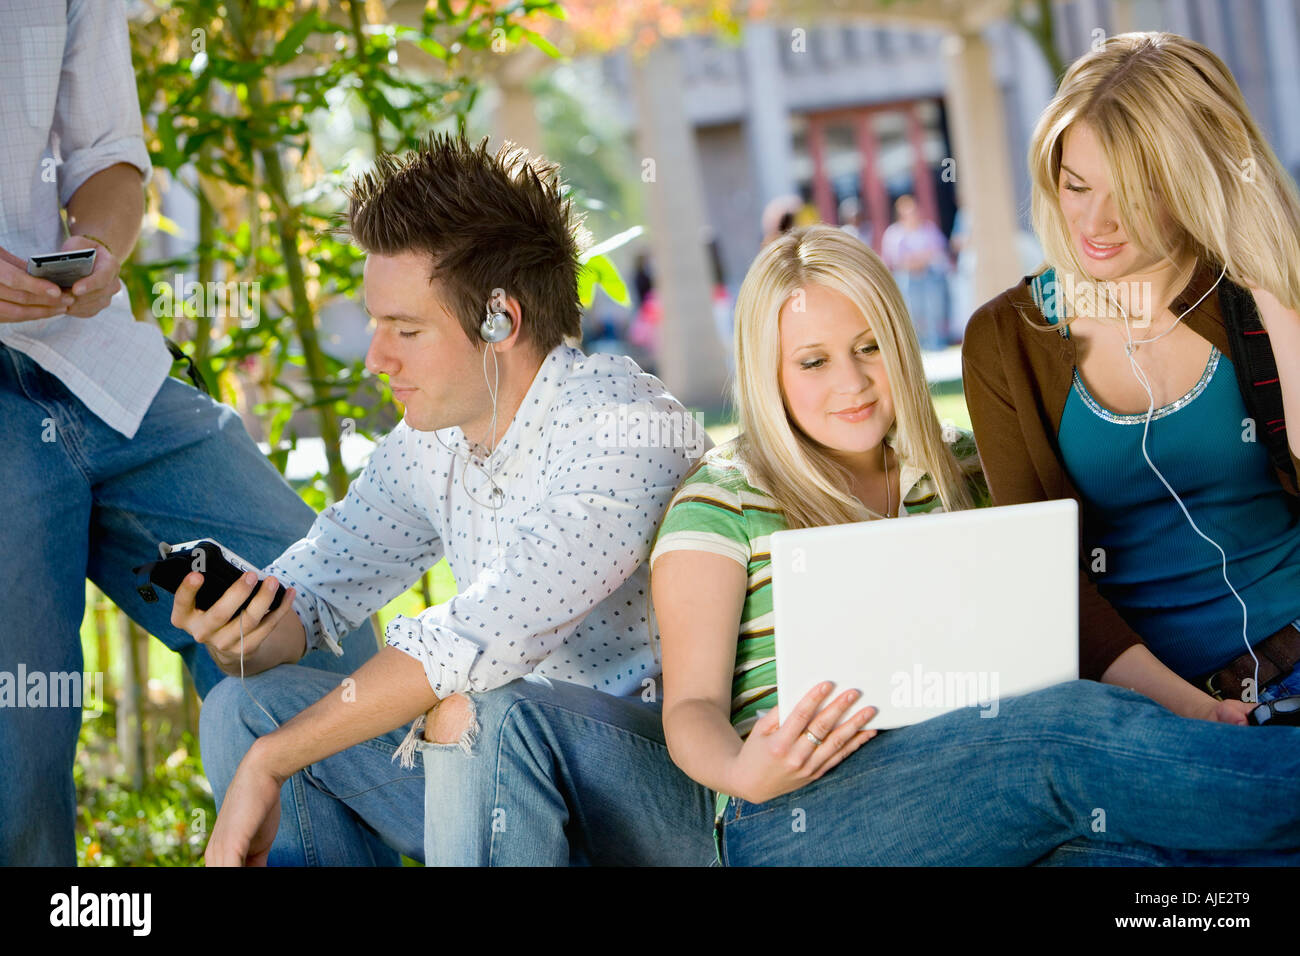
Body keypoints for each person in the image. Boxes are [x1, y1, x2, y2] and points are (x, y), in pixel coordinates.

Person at [649, 224, 1300, 865]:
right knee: (1061, 733)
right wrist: (744, 771)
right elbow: (689, 707)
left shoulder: (956, 468)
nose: (851, 381)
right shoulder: (723, 498)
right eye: (813, 361)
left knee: (1119, 855)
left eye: (870, 346)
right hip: (797, 811)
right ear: (769, 372)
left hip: (977, 780)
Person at [189, 134, 716, 866]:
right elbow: (312, 595)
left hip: (660, 803)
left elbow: (482, 636)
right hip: (494, 779)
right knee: (243, 708)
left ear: (501, 320)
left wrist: (274, 760)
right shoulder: (432, 442)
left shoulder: (623, 424)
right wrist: (244, 628)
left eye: (406, 330)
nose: (378, 359)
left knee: (483, 710)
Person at [0, 0, 375, 866]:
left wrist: (98, 243)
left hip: (94, 357)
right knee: (16, 757)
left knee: (312, 611)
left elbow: (109, 159)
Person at [962, 32, 1300, 723]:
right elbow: (1046, 576)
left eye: (1137, 192)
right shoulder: (1006, 342)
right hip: (1146, 708)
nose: (1095, 223)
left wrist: (1272, 276)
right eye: (1075, 184)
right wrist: (1194, 714)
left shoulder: (1254, 294)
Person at [881, 194, 951, 351]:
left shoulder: (928, 228)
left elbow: (938, 250)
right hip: (908, 279)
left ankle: (937, 345)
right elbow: (895, 259)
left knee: (934, 311)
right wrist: (918, 258)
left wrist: (918, 259)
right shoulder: (894, 233)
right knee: (914, 313)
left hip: (929, 277)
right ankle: (920, 348)